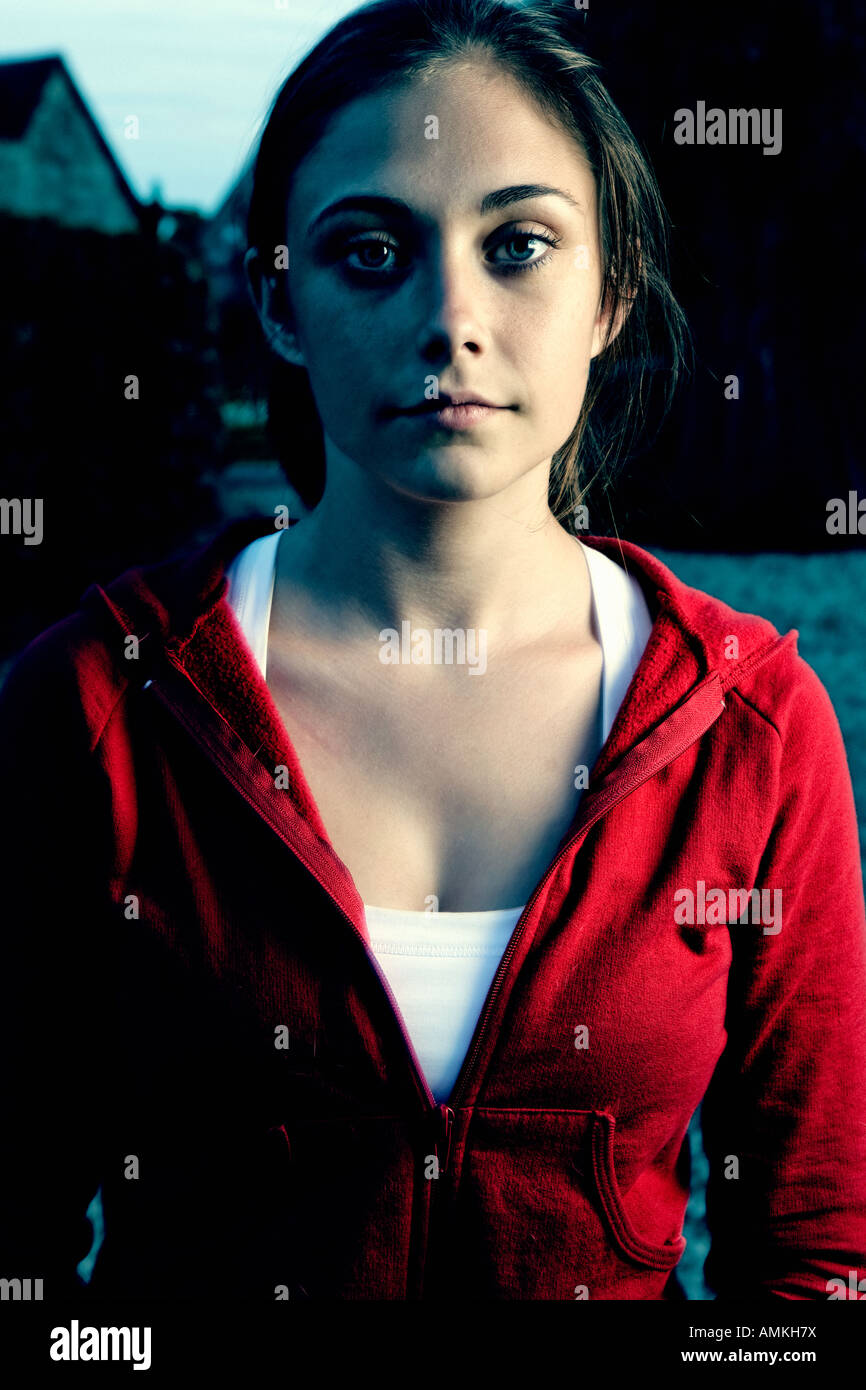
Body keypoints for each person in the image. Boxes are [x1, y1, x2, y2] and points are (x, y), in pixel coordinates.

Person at [1, 0, 865, 1302]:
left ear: (609, 292)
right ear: (279, 307)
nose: (449, 316)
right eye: (367, 251)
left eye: (518, 244)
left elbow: (812, 1253)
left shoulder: (751, 727)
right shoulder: (95, 703)